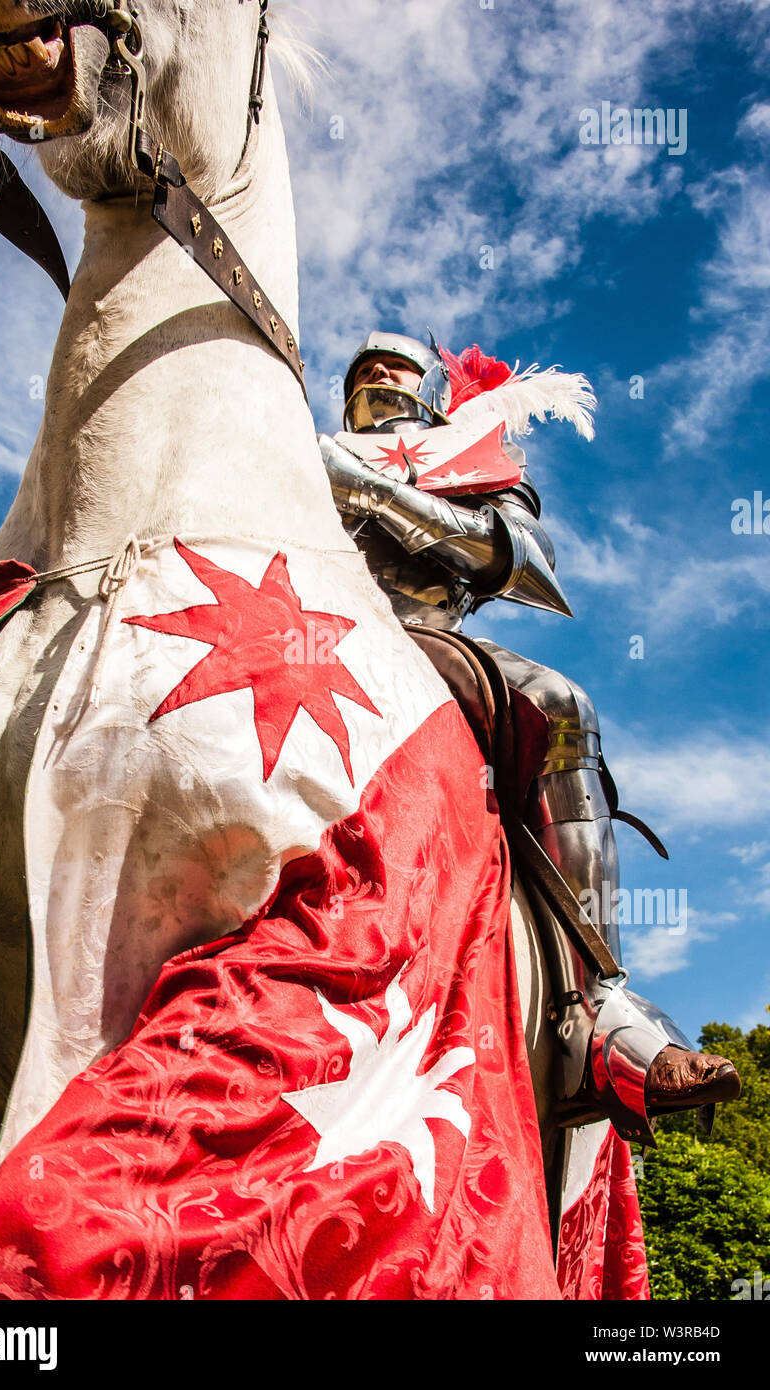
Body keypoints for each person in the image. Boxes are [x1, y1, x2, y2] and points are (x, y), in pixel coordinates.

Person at [319, 332, 741, 1145]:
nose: (377, 371)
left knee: (561, 705)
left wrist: (370, 491)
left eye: (398, 365)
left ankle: (596, 1013)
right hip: (293, 619)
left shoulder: (471, 456)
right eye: (363, 367)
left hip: (419, 638)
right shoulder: (294, 445)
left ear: (435, 388)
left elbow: (528, 566)